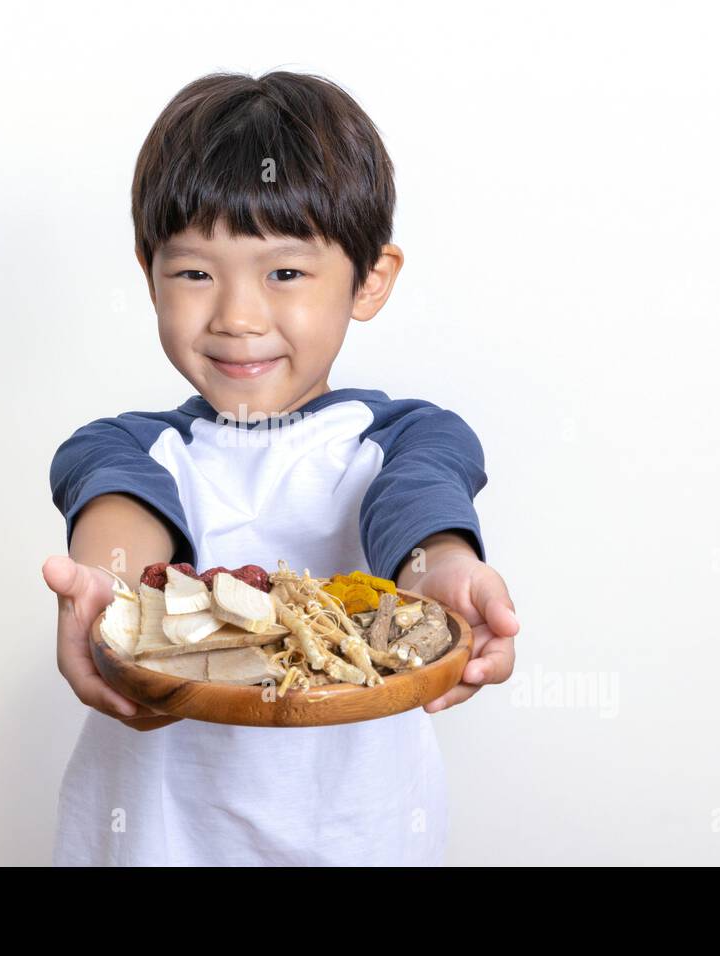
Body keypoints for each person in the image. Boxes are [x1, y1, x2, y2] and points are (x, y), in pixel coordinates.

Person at [42, 70, 519, 865]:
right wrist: (113, 595)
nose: (235, 315)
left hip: (358, 840)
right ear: (148, 271)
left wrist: (443, 575)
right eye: (195, 273)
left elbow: (416, 497)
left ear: (370, 279)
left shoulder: (402, 437)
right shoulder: (124, 445)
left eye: (285, 274)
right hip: (157, 843)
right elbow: (122, 512)